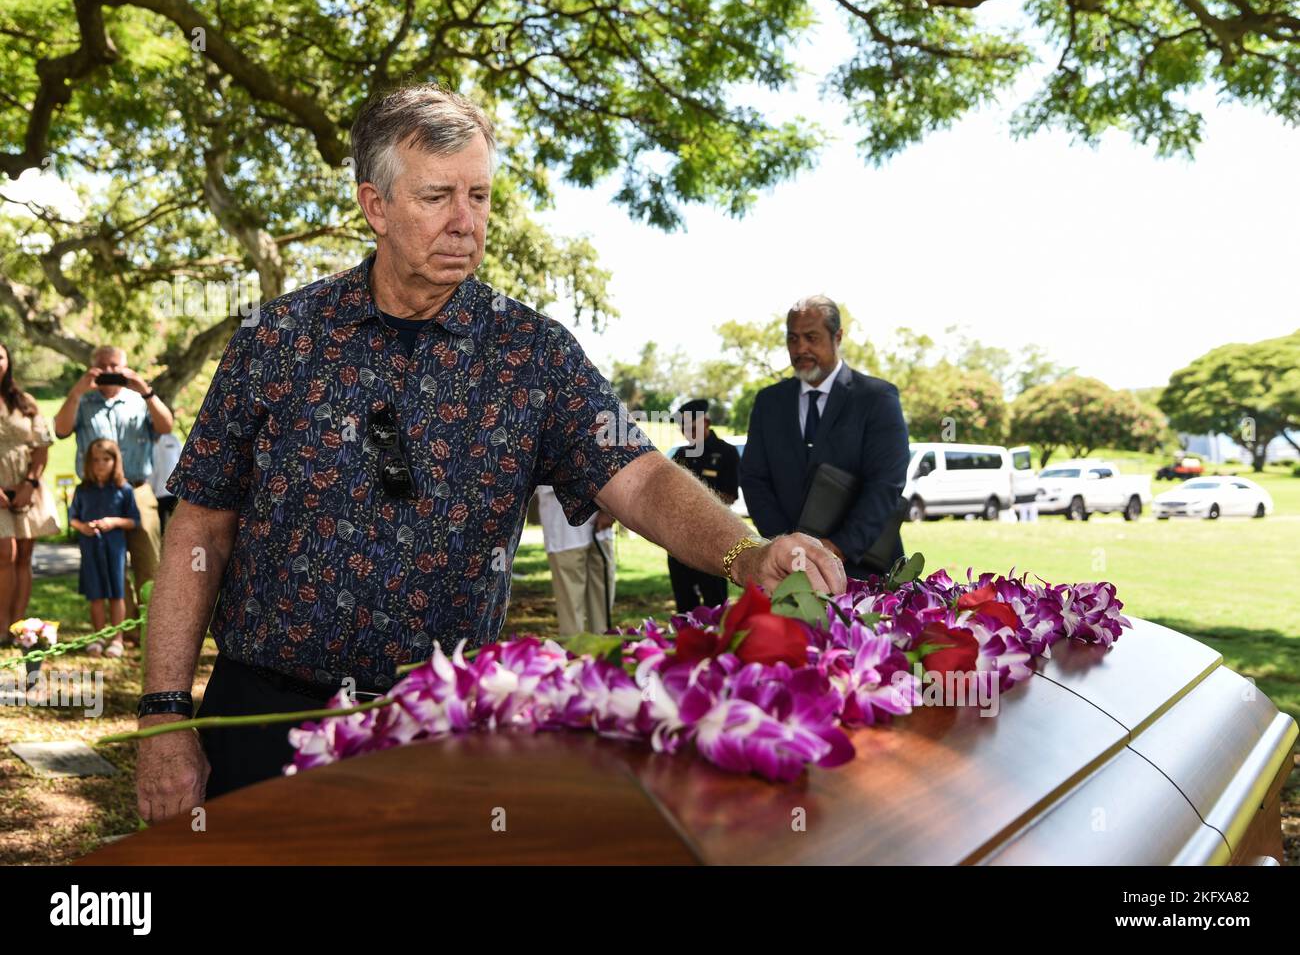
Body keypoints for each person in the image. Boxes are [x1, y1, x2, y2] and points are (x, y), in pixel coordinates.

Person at [134, 84, 846, 820]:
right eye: (438, 195)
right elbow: (199, 528)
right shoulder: (278, 340)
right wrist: (162, 714)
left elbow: (639, 476)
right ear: (374, 206)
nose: (465, 221)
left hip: (440, 732)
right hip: (264, 723)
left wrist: (748, 556)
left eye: (478, 195)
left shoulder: (532, 355)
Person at [740, 295, 910, 579]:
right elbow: (754, 479)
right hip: (789, 572)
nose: (801, 348)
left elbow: (886, 484)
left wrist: (837, 548)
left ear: (837, 336)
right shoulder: (768, 402)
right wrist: (789, 548)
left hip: (866, 572)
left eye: (811, 337)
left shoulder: (877, 398)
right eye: (792, 339)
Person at [53, 345, 173, 630]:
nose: (108, 371)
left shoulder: (139, 400)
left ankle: (151, 627)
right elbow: (59, 429)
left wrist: (145, 389)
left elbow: (166, 426)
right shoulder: (82, 401)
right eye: (102, 365)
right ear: (92, 367)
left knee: (148, 561)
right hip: (97, 494)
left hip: (137, 489)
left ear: (126, 367)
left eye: (114, 366)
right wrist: (76, 391)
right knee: (112, 564)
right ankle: (124, 629)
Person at [0, 343, 61, 639]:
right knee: (5, 553)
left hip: (26, 488)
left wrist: (30, 484)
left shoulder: (25, 402)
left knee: (24, 555)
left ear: (8, 361)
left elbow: (41, 448)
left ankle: (17, 626)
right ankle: (1, 625)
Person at [68, 439, 140, 658]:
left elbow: (134, 521)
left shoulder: (123, 490)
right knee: (95, 594)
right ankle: (97, 636)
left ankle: (116, 638)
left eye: (106, 459)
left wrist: (113, 522)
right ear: (88, 462)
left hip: (114, 548)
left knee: (116, 594)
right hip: (90, 549)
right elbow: (73, 518)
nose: (100, 464)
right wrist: (83, 527)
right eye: (96, 460)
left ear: (115, 461)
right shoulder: (83, 490)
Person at [667, 398, 740, 613]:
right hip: (679, 541)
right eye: (683, 427)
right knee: (684, 604)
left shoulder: (726, 452)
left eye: (691, 425)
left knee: (715, 604)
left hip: (712, 538)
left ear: (706, 422)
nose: (687, 431)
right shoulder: (681, 454)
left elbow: (729, 495)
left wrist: (695, 506)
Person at [535, 485, 615, 636]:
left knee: (603, 605)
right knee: (570, 609)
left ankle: (605, 654)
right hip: (560, 520)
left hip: (600, 516)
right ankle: (574, 655)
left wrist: (610, 510)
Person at [148, 431, 183, 535]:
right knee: (161, 527)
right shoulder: (148, 441)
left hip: (174, 492)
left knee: (177, 525)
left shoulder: (173, 439)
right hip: (157, 493)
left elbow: (181, 461)